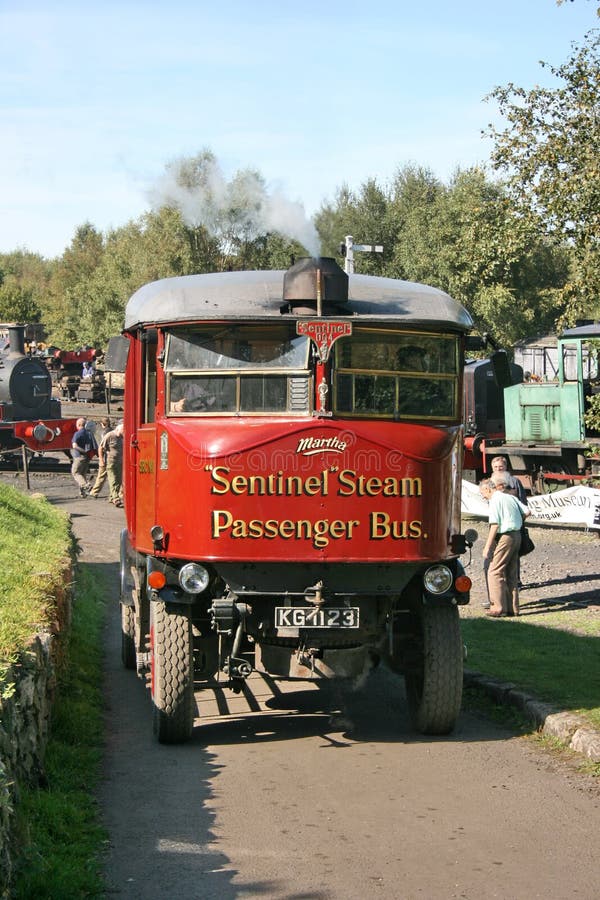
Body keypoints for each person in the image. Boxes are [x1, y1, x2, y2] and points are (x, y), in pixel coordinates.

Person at [482, 471, 530, 617]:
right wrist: (517, 520)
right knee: (511, 572)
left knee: (494, 571)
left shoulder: (495, 500)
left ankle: (498, 607)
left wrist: (487, 547)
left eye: (482, 493)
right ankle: (513, 609)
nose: (483, 496)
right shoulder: (510, 497)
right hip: (517, 535)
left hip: (505, 536)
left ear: (488, 489)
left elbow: (495, 525)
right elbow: (527, 511)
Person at [99, 422, 124, 507]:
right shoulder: (109, 436)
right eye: (123, 431)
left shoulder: (122, 437)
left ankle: (112, 497)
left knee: (119, 481)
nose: (123, 433)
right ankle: (116, 499)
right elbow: (101, 448)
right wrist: (101, 460)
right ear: (117, 429)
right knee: (112, 480)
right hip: (111, 462)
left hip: (120, 462)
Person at [88, 417, 112, 498]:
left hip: (106, 457)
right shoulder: (112, 431)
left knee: (101, 476)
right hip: (112, 457)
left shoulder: (104, 433)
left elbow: (101, 447)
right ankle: (118, 493)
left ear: (102, 424)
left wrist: (101, 458)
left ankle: (94, 492)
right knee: (115, 476)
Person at [71, 417, 95, 497]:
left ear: (79, 425)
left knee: (76, 473)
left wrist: (82, 451)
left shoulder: (77, 434)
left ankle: (86, 486)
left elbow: (74, 446)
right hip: (87, 457)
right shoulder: (88, 433)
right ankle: (82, 493)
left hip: (79, 457)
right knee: (82, 474)